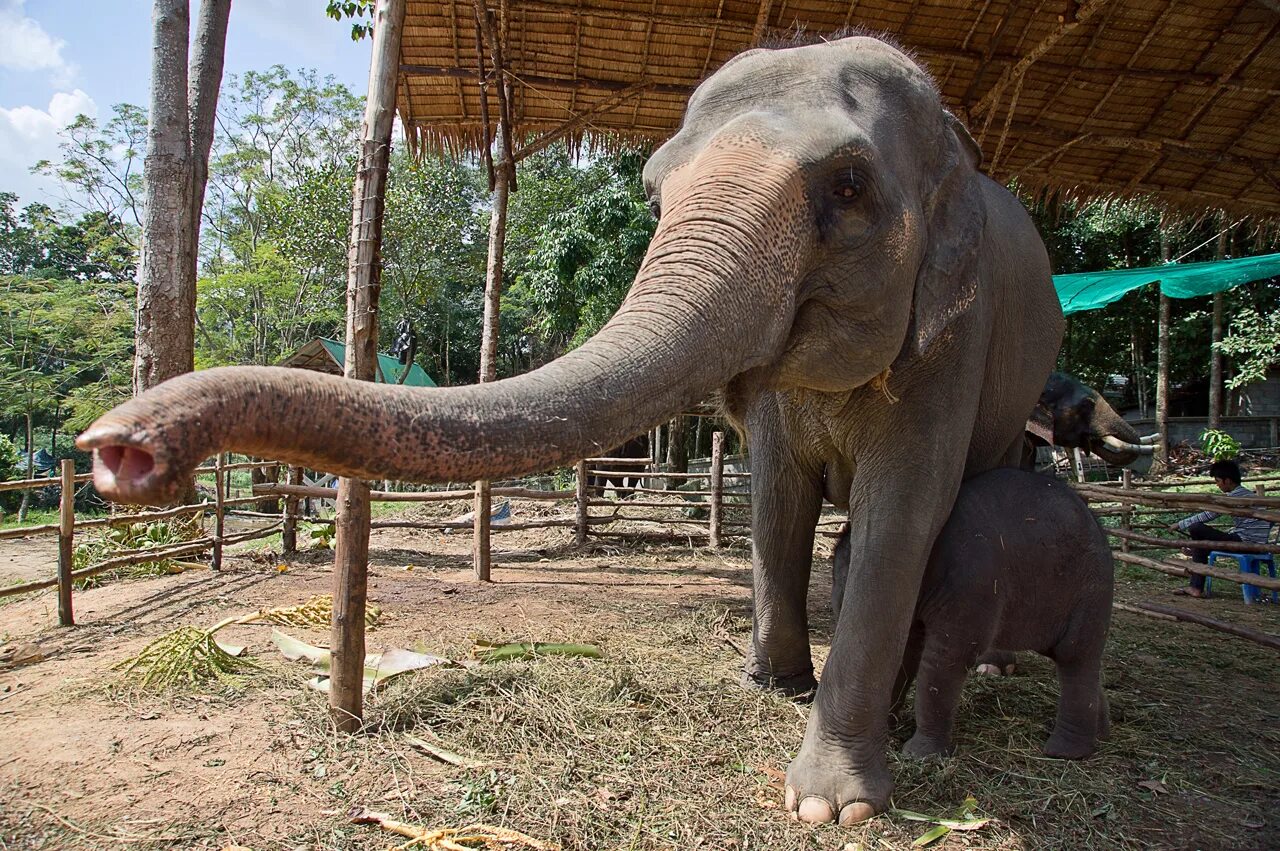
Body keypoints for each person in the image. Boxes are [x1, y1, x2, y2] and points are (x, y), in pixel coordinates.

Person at [1168, 459, 1273, 598]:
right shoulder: (1247, 495)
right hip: (1252, 543)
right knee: (1201, 543)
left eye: (1218, 481)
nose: (1217, 485)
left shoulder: (1234, 498)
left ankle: (1196, 585)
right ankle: (1195, 584)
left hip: (1247, 543)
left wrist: (1180, 524)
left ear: (1227, 480)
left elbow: (1209, 514)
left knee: (1196, 528)